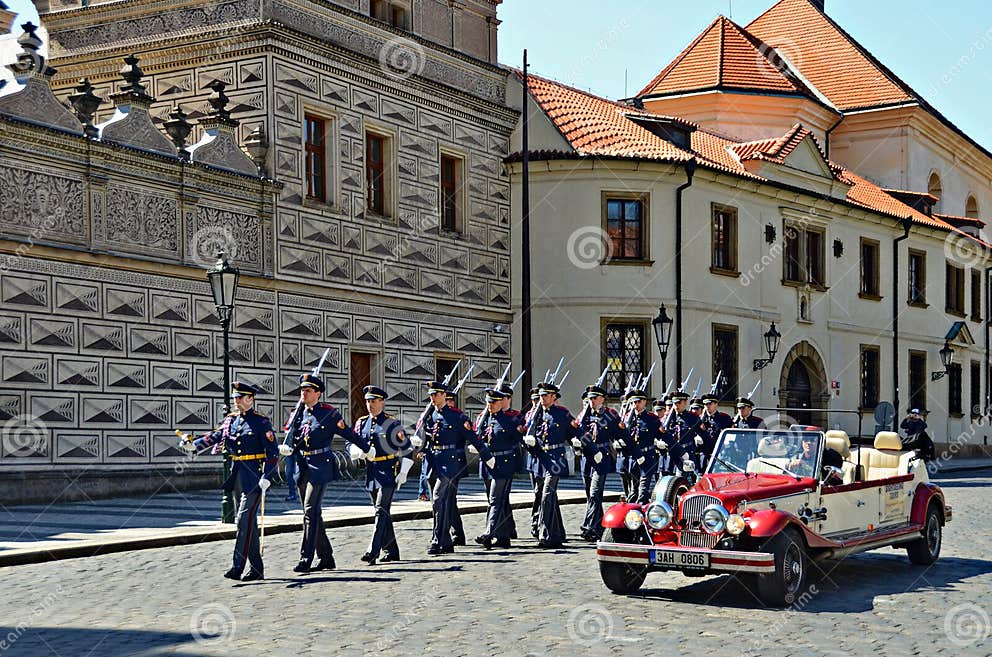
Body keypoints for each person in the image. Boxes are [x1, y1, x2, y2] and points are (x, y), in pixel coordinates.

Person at [180, 382, 277, 581]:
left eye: (240, 398)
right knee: (246, 524)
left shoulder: (261, 422)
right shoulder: (231, 420)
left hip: (254, 476)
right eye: (235, 398)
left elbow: (272, 452)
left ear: (251, 399)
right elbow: (216, 436)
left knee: (243, 520)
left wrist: (267, 476)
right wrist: (194, 446)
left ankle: (237, 567)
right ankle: (257, 569)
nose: (236, 401)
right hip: (237, 474)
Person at [279, 374, 372, 574]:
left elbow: (349, 433)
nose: (304, 393)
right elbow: (291, 436)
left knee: (310, 511)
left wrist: (367, 448)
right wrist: (287, 447)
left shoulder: (329, 413)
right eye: (302, 390)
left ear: (318, 393)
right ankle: (327, 558)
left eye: (308, 390)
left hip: (321, 466)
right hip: (302, 466)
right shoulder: (298, 413)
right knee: (312, 514)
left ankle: (306, 557)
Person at [418, 380, 494, 555]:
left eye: (436, 394)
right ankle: (445, 541)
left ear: (444, 395)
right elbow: (426, 437)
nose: (433, 398)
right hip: (432, 462)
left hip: (449, 463)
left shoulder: (456, 416)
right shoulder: (430, 415)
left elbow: (473, 437)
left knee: (438, 498)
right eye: (431, 395)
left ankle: (437, 540)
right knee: (438, 503)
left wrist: (486, 455)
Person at [349, 385, 413, 566]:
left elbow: (407, 448)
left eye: (374, 401)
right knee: (383, 512)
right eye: (368, 401)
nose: (370, 404)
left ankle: (373, 550)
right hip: (371, 471)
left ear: (382, 402)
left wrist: (403, 472)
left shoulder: (391, 423)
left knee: (380, 510)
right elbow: (351, 441)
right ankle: (392, 551)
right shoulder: (361, 422)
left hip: (387, 471)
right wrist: (355, 451)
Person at [523, 381, 580, 548]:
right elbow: (525, 433)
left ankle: (545, 535)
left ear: (553, 397)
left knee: (547, 495)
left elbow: (576, 431)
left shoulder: (562, 413)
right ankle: (556, 533)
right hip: (540, 459)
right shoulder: (536, 414)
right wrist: (528, 442)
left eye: (545, 395)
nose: (542, 398)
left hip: (555, 458)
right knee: (543, 495)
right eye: (540, 395)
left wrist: (582, 445)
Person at [475, 388, 524, 548]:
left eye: (494, 402)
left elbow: (519, 440)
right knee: (495, 500)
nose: (490, 405)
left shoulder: (510, 420)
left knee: (495, 500)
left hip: (503, 464)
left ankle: (488, 533)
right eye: (488, 402)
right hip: (486, 464)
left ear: (501, 402)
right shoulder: (484, 419)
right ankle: (503, 537)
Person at [573, 384, 620, 542]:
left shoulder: (610, 415)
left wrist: (622, 445)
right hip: (587, 458)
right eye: (589, 398)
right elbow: (576, 429)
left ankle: (589, 526)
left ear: (602, 399)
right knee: (591, 495)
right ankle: (599, 527)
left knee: (595, 492)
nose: (591, 401)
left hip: (602, 456)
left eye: (594, 398)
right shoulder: (583, 415)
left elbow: (621, 434)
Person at [619, 389, 664, 504]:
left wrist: (662, 442)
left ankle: (641, 512)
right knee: (633, 490)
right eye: (633, 402)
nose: (636, 405)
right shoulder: (627, 418)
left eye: (638, 401)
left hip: (647, 457)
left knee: (643, 491)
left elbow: (661, 434)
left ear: (644, 402)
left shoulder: (652, 418)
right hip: (633, 458)